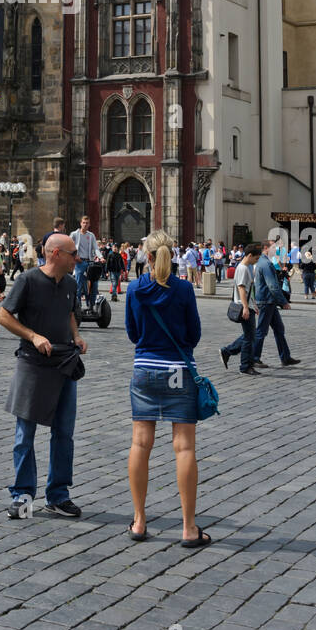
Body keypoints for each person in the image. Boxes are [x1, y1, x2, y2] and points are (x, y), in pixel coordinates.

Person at [125, 229, 210, 547]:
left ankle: (139, 521)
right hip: (177, 368)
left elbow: (133, 333)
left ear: (146, 256)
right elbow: (194, 333)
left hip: (145, 370)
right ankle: (188, 528)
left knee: (140, 444)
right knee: (185, 448)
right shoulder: (185, 289)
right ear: (172, 255)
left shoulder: (135, 288)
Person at [0, 233, 86, 520]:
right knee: (25, 434)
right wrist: (33, 336)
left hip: (64, 364)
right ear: (56, 254)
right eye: (73, 253)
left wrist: (76, 336)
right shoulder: (28, 280)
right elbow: (3, 316)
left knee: (64, 433)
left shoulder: (71, 283)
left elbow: (71, 313)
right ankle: (22, 495)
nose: (78, 258)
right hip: (33, 364)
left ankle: (58, 496)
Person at [252, 240, 300, 367]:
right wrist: (283, 301)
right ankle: (254, 358)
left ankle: (285, 357)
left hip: (269, 301)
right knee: (261, 331)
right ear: (266, 248)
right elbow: (272, 286)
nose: (276, 250)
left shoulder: (264, 262)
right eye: (273, 248)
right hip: (266, 301)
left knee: (279, 329)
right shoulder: (266, 264)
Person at [219, 243, 261, 377]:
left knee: (250, 335)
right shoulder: (243, 268)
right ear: (250, 255)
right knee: (249, 337)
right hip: (244, 306)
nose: (256, 261)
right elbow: (242, 289)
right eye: (256, 258)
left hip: (247, 305)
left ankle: (228, 352)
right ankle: (245, 366)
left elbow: (248, 290)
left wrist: (253, 305)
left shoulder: (244, 267)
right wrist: (245, 307)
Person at [70, 215, 99, 306]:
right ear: (81, 223)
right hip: (79, 262)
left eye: (87, 223)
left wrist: (101, 257)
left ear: (89, 224)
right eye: (84, 223)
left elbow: (96, 248)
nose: (85, 224)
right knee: (79, 284)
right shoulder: (74, 234)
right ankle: (77, 305)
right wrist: (75, 255)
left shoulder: (91, 235)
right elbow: (68, 245)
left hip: (89, 262)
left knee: (94, 284)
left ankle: (91, 304)